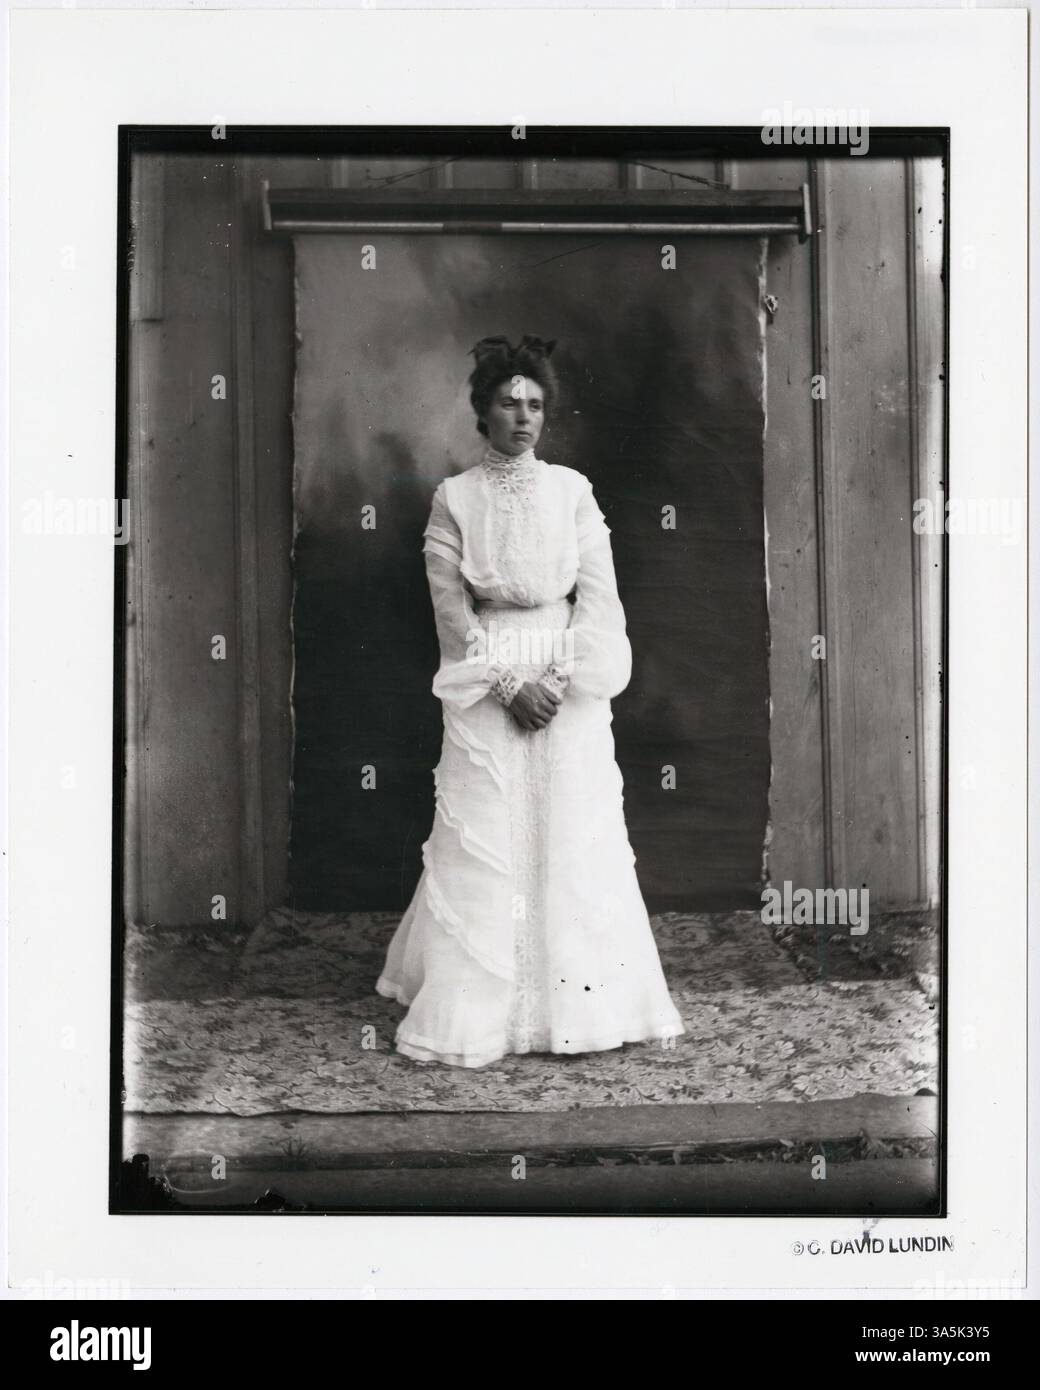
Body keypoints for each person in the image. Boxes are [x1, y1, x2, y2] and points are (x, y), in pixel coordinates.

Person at [376, 333, 685, 1067]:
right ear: (481, 411)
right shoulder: (454, 498)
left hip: (564, 675)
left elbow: (600, 598)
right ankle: (483, 1009)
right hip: (487, 678)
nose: (524, 417)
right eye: (508, 403)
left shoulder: (571, 491)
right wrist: (508, 684)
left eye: (536, 404)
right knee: (489, 838)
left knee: (571, 835)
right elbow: (450, 610)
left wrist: (558, 679)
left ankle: (580, 1005)